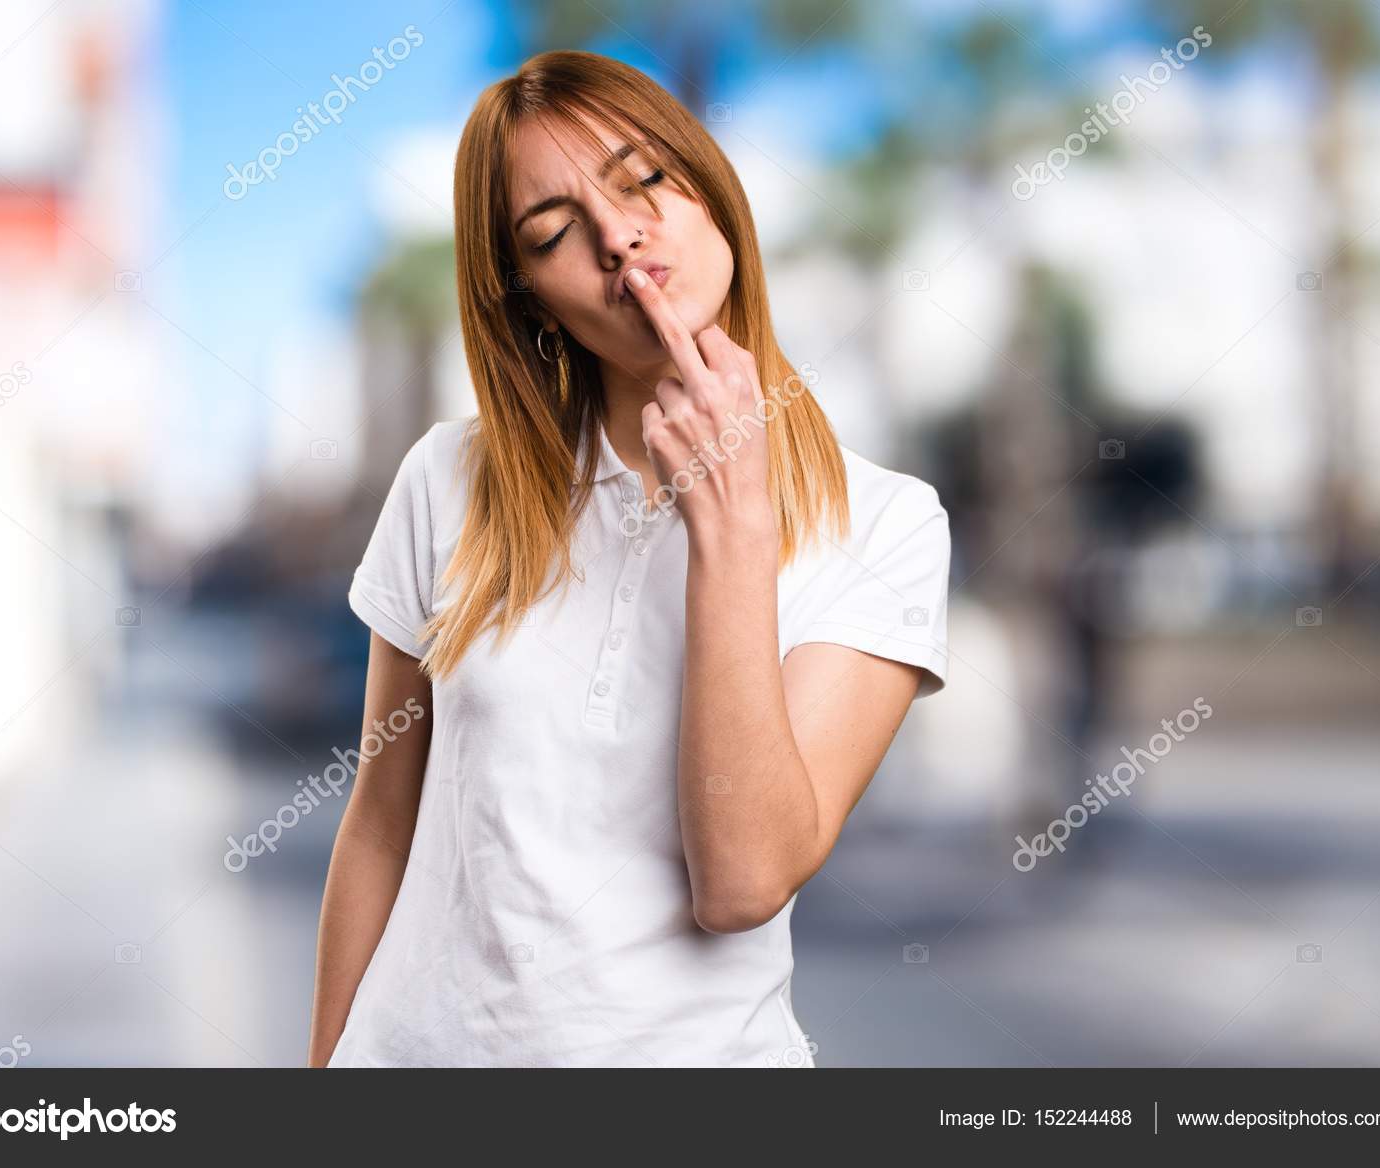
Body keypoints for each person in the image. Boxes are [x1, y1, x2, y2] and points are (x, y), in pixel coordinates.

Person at [309, 49, 951, 1068]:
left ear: (711, 191)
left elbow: (741, 883)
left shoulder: (886, 522)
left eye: (644, 177)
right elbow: (380, 825)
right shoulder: (446, 479)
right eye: (554, 233)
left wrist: (732, 527)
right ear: (529, 298)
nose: (618, 237)